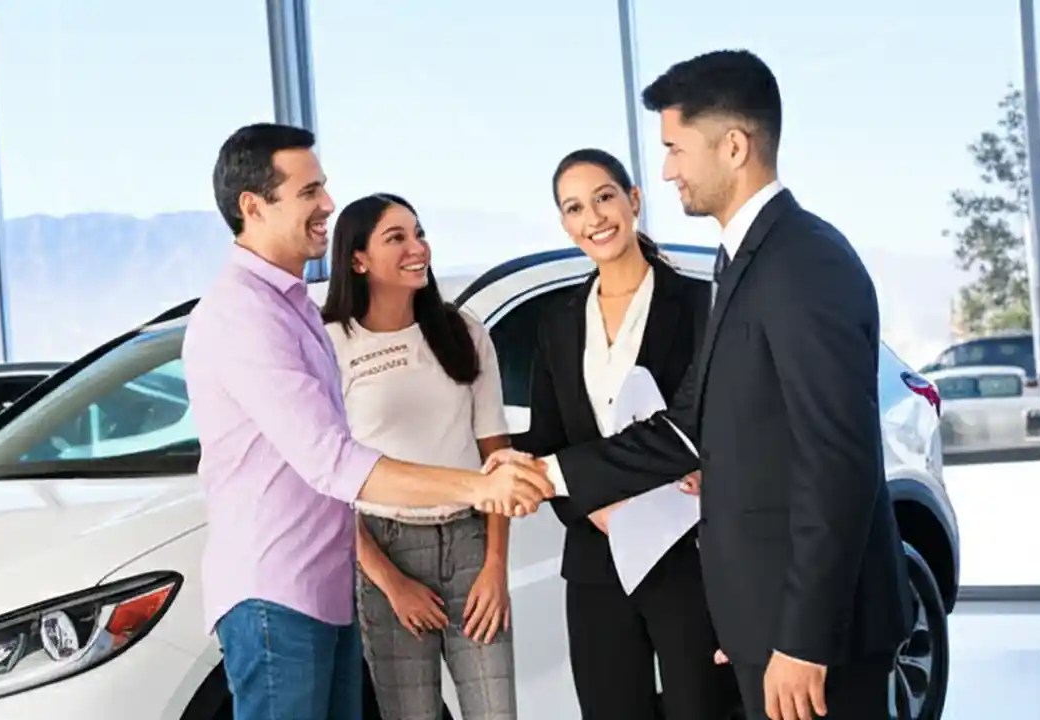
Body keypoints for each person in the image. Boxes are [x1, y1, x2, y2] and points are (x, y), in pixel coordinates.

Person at [485, 50, 911, 720]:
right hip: (764, 621)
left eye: (675, 148)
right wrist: (549, 473)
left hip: (811, 641)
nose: (666, 169)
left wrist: (800, 640)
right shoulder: (742, 262)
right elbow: (688, 426)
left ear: (734, 146)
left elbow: (839, 467)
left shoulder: (802, 263)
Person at [184, 123, 554, 720]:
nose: (327, 204)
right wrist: (480, 485)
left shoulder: (293, 307)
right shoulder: (243, 316)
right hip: (276, 595)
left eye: (323, 188)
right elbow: (333, 461)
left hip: (324, 594)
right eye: (308, 192)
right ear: (252, 206)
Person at [510, 149, 737, 719]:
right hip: (595, 559)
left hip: (687, 556)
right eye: (575, 207)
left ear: (633, 201)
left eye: (605, 196)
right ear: (565, 223)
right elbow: (546, 440)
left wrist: (713, 464)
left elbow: (726, 416)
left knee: (702, 710)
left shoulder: (698, 304)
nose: (594, 217)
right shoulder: (558, 321)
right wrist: (595, 510)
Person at [321, 193, 518, 720]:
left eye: (419, 233)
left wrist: (496, 565)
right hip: (384, 548)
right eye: (397, 237)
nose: (418, 248)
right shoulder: (331, 343)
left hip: (471, 544)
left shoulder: (463, 332)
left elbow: (495, 452)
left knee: (496, 712)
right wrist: (389, 582)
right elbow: (330, 476)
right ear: (357, 259)